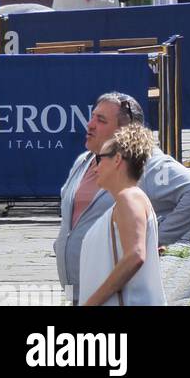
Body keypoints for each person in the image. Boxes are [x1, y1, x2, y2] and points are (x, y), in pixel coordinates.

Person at [55, 92, 190, 303]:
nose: (90, 124)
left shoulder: (148, 165)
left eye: (101, 120)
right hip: (76, 288)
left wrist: (154, 238)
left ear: (125, 130)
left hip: (112, 293)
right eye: (93, 116)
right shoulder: (83, 161)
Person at [79, 124, 166, 307]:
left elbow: (135, 256)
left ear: (117, 159)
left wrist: (91, 303)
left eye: (99, 159)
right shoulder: (127, 199)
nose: (95, 168)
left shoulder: (129, 197)